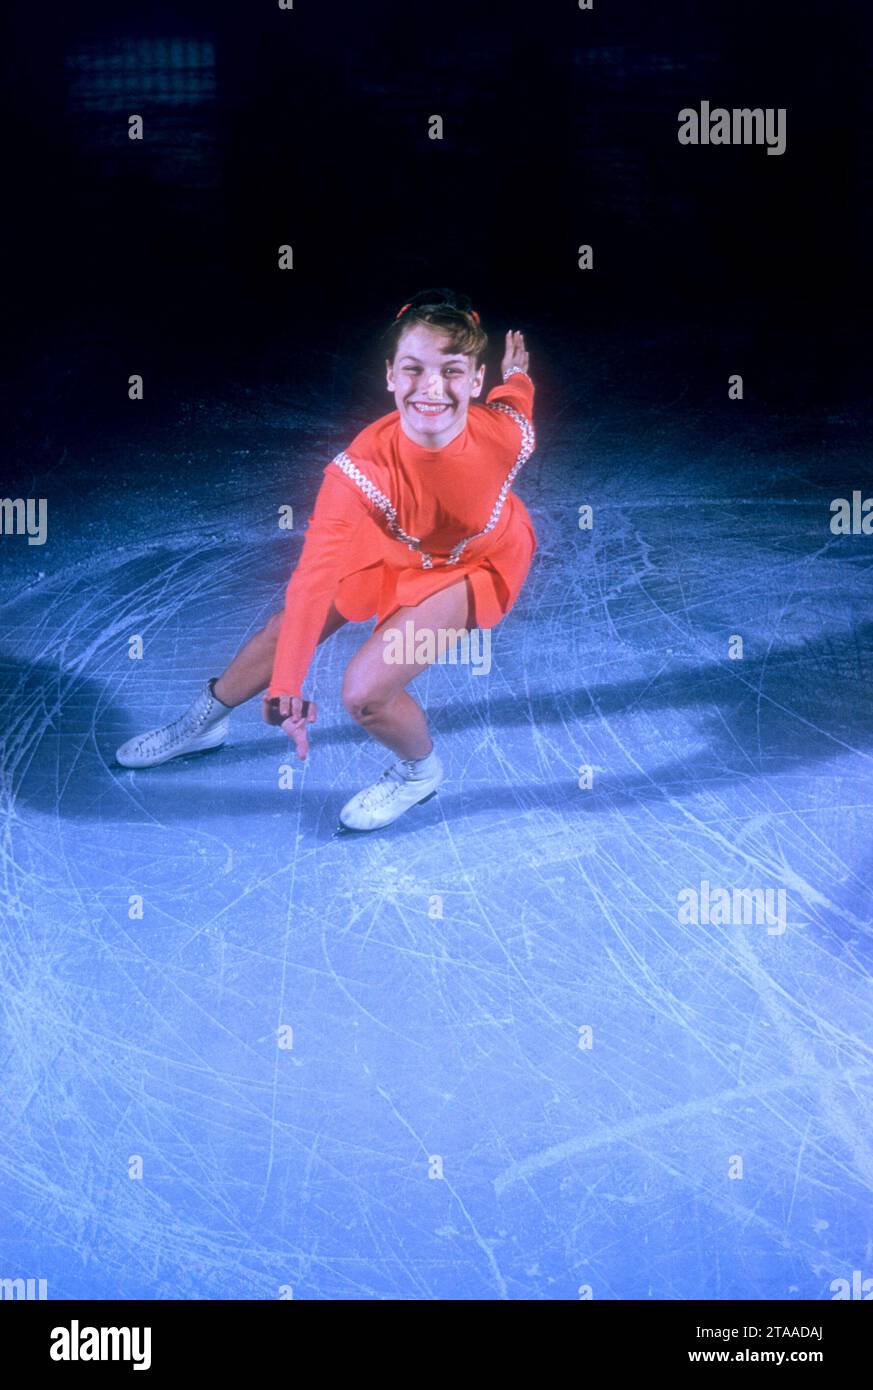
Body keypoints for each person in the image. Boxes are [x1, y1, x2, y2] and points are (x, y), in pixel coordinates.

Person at [115, 288, 537, 830]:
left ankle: (418, 772)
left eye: (453, 371)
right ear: (390, 375)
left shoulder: (507, 437)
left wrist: (518, 377)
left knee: (366, 694)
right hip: (395, 540)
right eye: (414, 369)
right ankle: (204, 723)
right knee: (285, 630)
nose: (432, 387)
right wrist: (286, 686)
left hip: (474, 561)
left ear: (477, 382)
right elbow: (313, 577)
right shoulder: (357, 471)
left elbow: (518, 401)